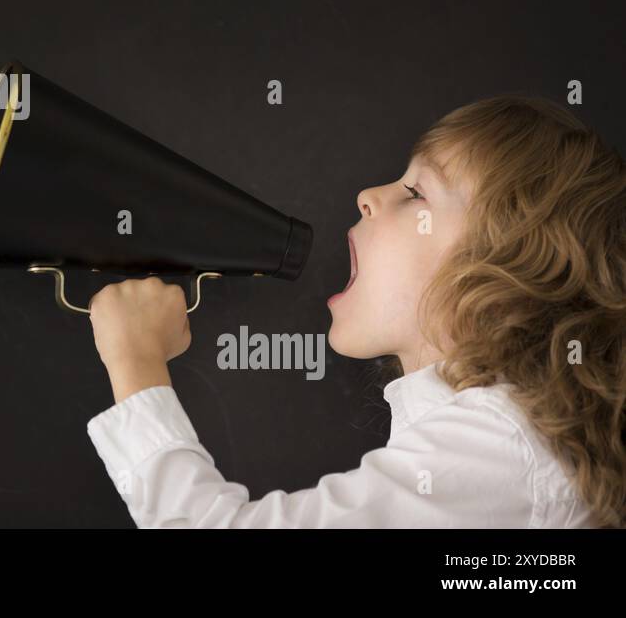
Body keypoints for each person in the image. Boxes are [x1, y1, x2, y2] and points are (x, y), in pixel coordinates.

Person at [86, 95, 625, 528]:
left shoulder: (499, 445)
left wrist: (136, 361)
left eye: (416, 193)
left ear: (507, 266)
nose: (367, 194)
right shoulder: (485, 446)